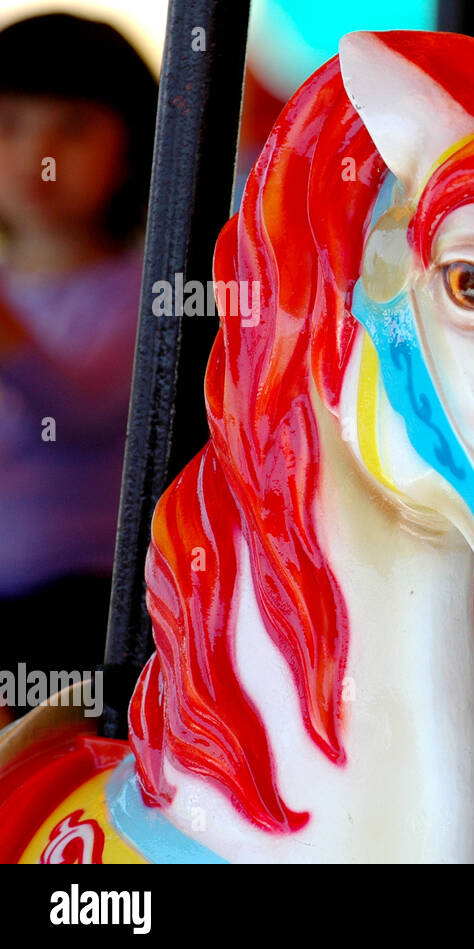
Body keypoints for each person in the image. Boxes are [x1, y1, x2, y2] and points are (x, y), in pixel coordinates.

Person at [0, 13, 157, 708]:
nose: (38, 154)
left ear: (130, 151)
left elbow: (85, 408)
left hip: (83, 601)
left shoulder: (142, 292)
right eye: (8, 127)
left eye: (71, 128)